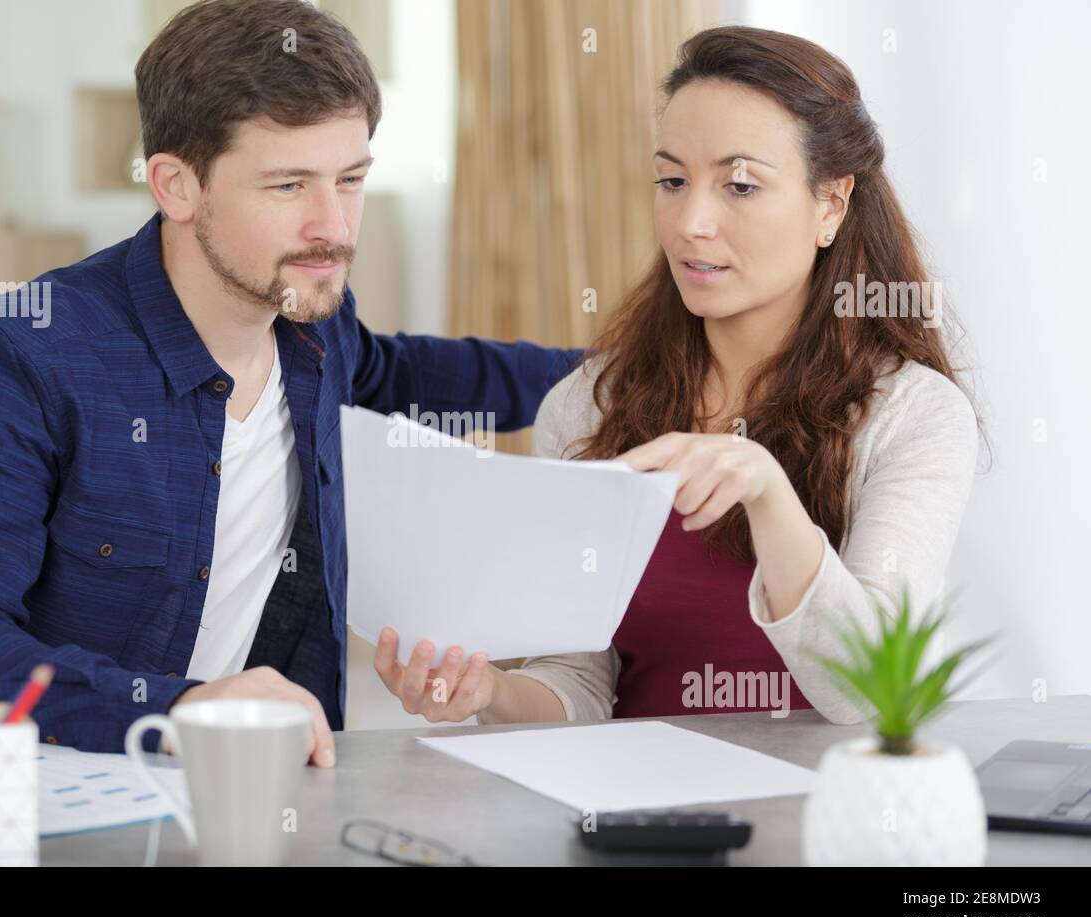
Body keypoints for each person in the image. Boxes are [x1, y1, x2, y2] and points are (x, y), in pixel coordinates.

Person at [0, 0, 580, 762]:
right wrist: (186, 710)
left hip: (232, 801)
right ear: (176, 186)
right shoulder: (15, 362)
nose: (335, 226)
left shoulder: (312, 324)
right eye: (289, 186)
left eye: (350, 178)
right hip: (0, 800)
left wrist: (622, 371)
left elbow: (406, 372)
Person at [375, 26, 982, 727]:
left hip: (824, 820)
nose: (691, 222)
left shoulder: (915, 415)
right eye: (672, 181)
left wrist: (767, 494)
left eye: (742, 185)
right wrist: (489, 694)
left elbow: (873, 689)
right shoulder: (585, 406)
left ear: (830, 204)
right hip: (631, 824)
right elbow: (577, 678)